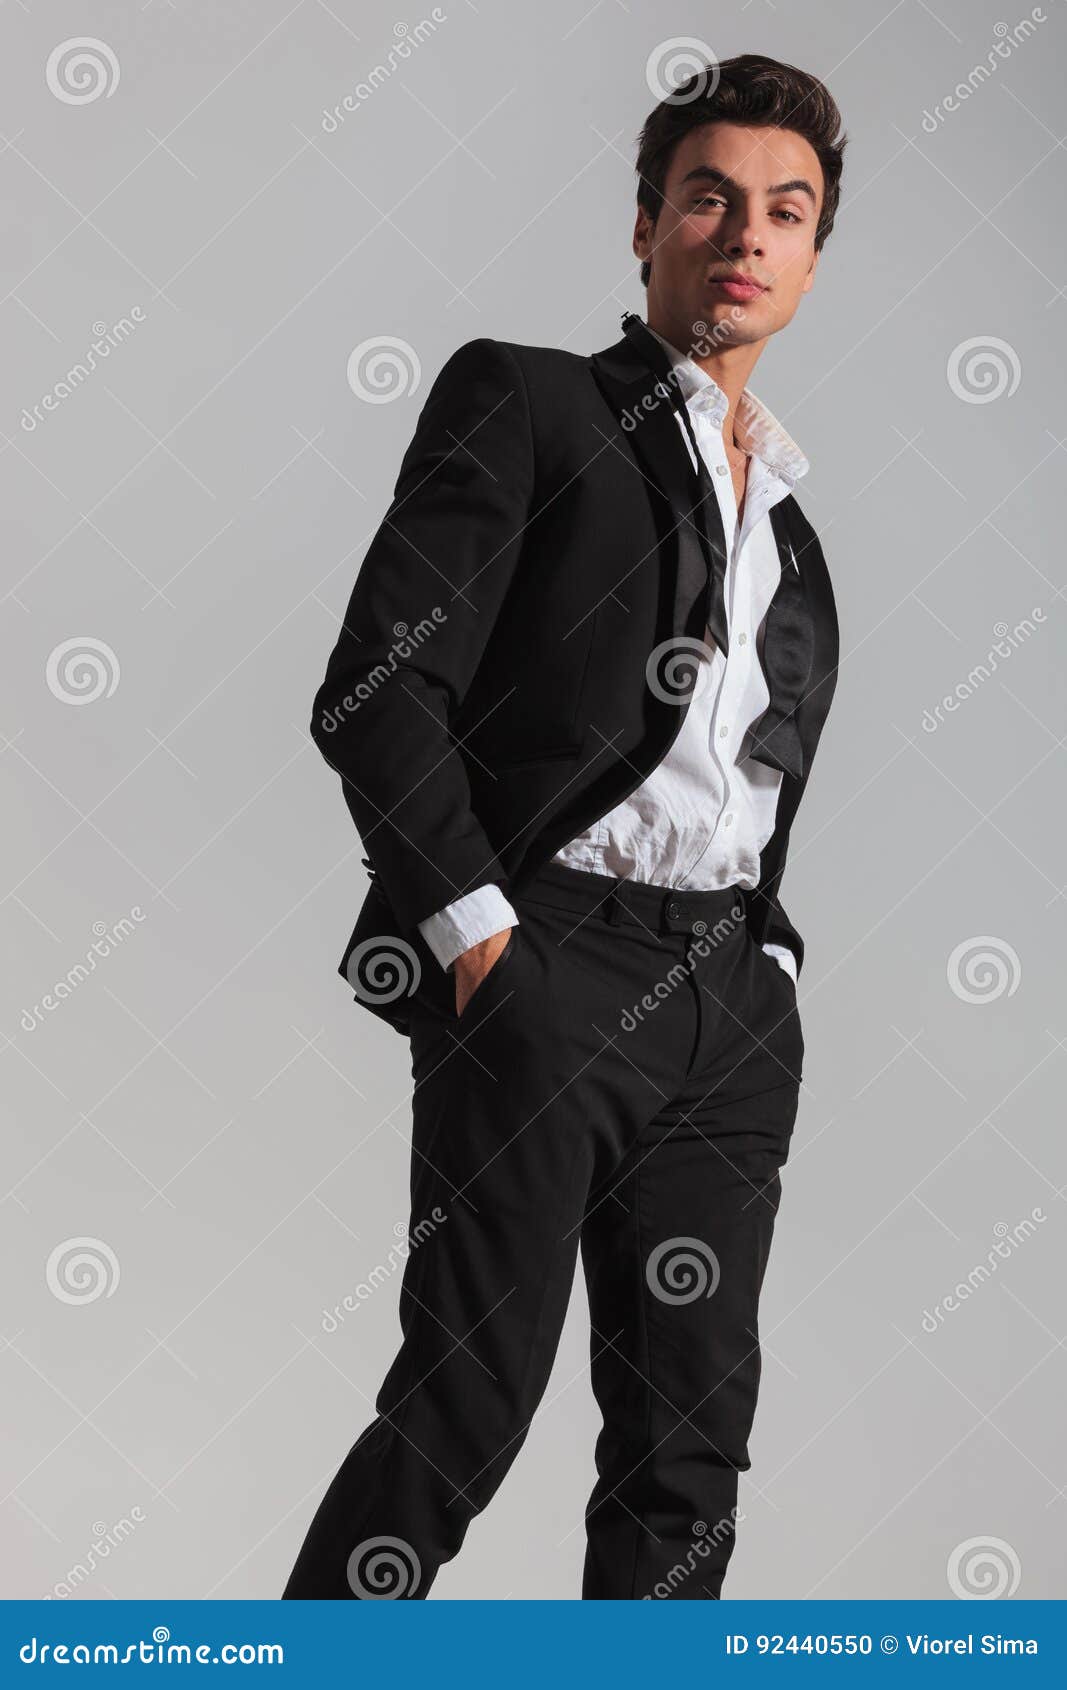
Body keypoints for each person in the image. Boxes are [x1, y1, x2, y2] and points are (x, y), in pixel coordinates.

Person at [283, 52, 845, 1600]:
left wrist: (771, 969)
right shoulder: (529, 402)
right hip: (549, 968)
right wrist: (481, 943)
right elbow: (376, 695)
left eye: (783, 210)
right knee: (463, 1408)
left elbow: (750, 780)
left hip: (729, 1011)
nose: (744, 230)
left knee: (690, 1451)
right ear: (649, 224)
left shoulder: (790, 526)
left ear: (811, 254)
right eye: (709, 196)